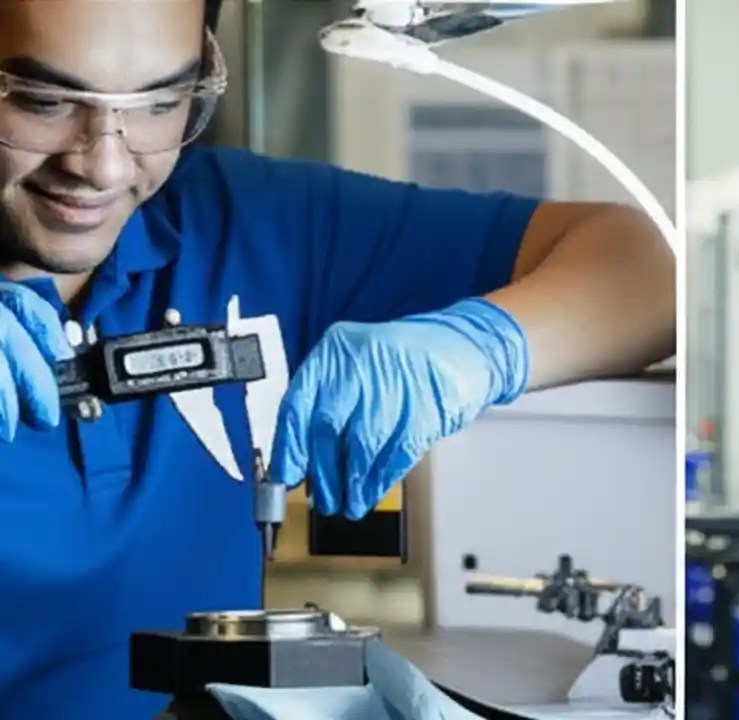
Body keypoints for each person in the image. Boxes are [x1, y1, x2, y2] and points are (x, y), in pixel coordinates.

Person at [0, 0, 674, 717]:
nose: (102, 164)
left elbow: (644, 271)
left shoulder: (253, 225)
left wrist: (479, 347)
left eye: (161, 102)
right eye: (44, 101)